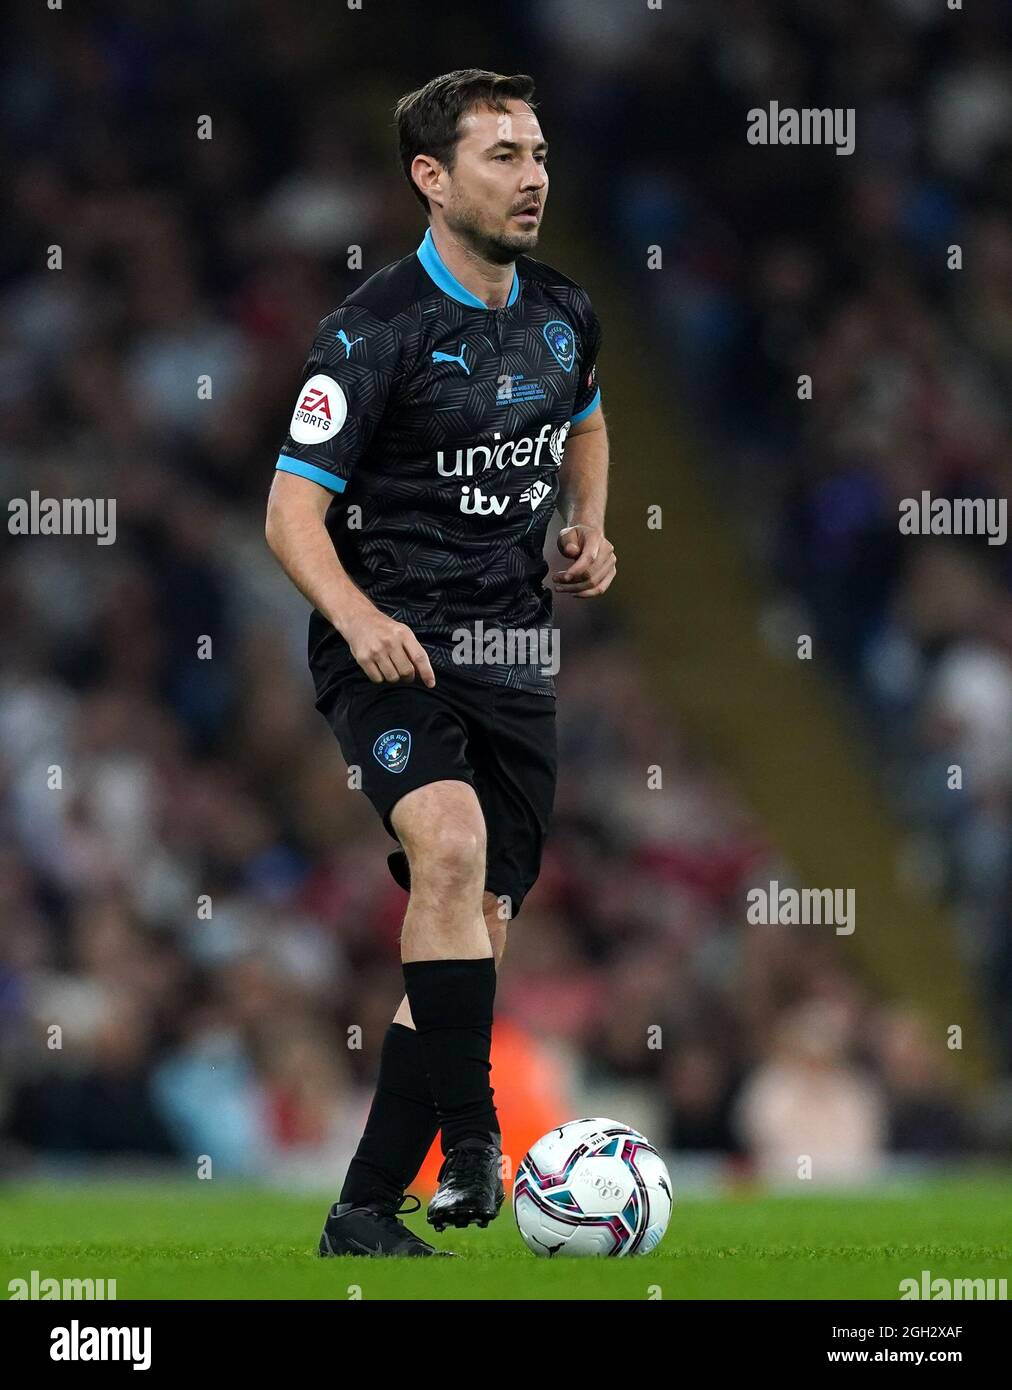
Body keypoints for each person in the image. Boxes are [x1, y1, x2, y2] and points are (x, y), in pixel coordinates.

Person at [266, 68, 614, 1256]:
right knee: (449, 847)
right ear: (431, 176)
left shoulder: (563, 310)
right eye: (502, 156)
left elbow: (585, 416)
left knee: (473, 930)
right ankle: (476, 1142)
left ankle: (363, 1210)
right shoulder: (373, 331)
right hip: (393, 646)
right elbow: (290, 513)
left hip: (511, 653)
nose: (532, 178)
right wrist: (356, 616)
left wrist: (590, 523)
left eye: (538, 153)